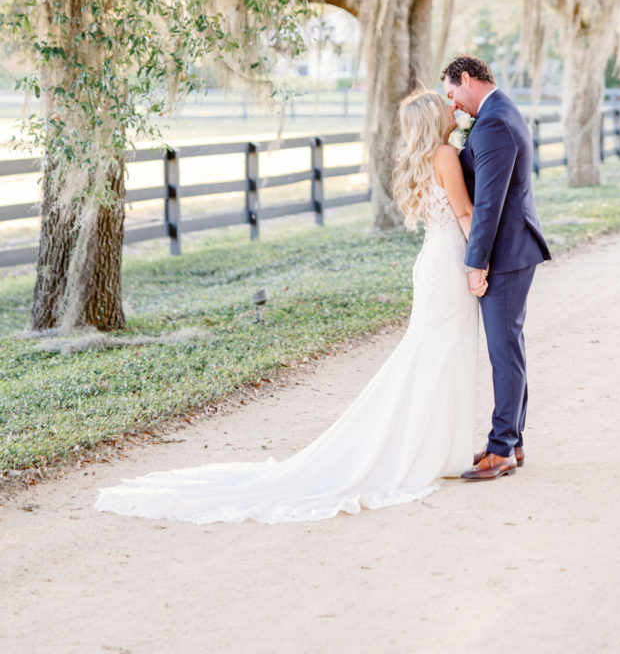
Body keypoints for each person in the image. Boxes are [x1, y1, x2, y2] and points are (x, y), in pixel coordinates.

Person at [95, 89, 480, 524]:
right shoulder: (446, 155)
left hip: (433, 262)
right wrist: (478, 264)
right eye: (444, 104)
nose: (453, 107)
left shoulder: (426, 157)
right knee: (441, 352)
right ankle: (432, 449)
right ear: (434, 118)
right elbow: (465, 213)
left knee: (432, 353)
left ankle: (437, 446)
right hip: (449, 264)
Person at [442, 54, 551, 482]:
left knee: (503, 353)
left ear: (467, 78)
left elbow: (489, 204)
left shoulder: (494, 124)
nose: (453, 106)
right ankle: (512, 441)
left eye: (453, 94)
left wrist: (476, 263)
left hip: (505, 253)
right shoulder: (498, 113)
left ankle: (502, 447)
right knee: (510, 348)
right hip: (512, 249)